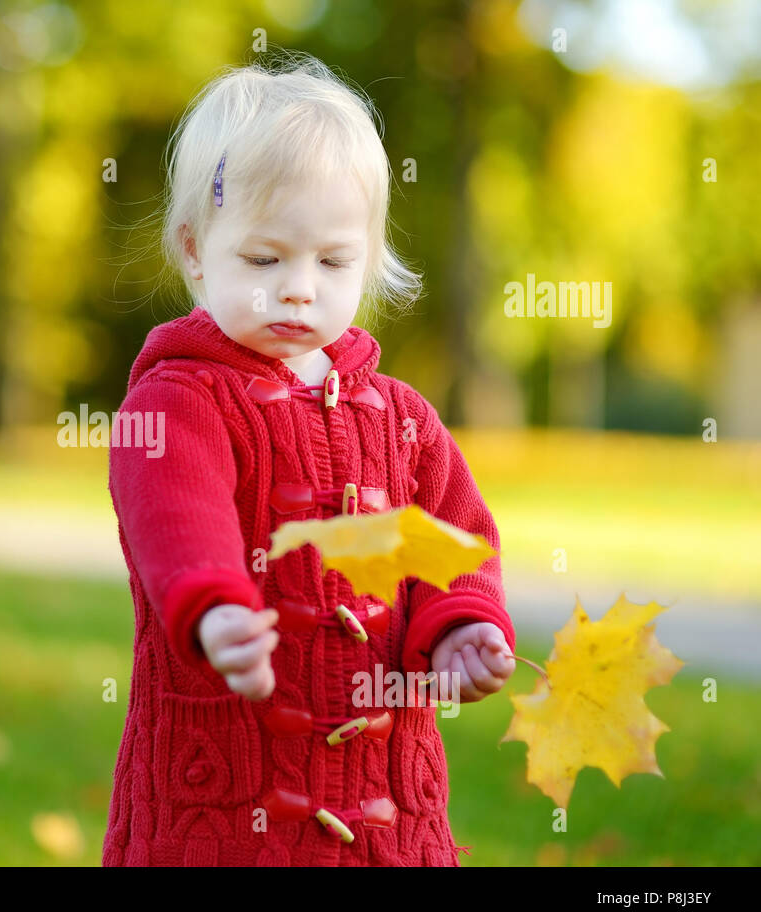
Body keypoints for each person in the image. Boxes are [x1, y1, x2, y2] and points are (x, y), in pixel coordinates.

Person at [103, 51, 516, 867]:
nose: (299, 288)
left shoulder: (402, 419)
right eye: (265, 259)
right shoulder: (177, 402)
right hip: (226, 807)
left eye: (333, 262)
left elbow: (451, 539)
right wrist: (215, 607)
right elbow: (175, 515)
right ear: (194, 249)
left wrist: (462, 623)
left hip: (384, 812)